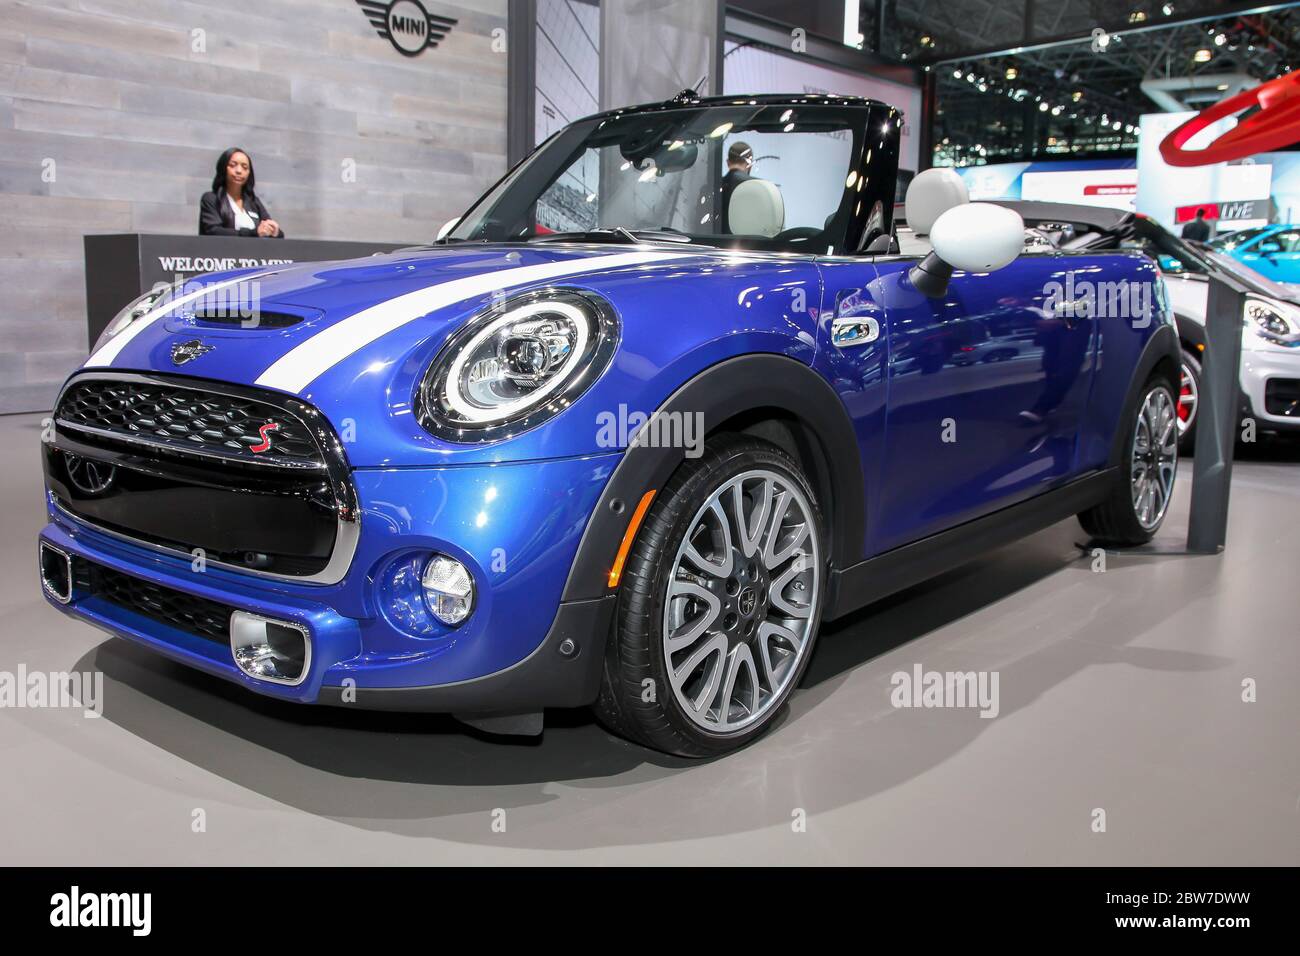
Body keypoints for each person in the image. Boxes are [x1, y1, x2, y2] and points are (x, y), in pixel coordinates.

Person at [199, 147, 284, 238]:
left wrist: (275, 231)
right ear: (223, 168)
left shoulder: (253, 202)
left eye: (245, 167)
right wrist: (254, 233)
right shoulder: (211, 198)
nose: (239, 171)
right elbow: (213, 231)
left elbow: (273, 230)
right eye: (233, 165)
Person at [719, 140, 754, 234]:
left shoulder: (710, 188)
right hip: (749, 246)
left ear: (727, 162)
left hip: (714, 244)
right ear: (749, 164)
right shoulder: (758, 188)